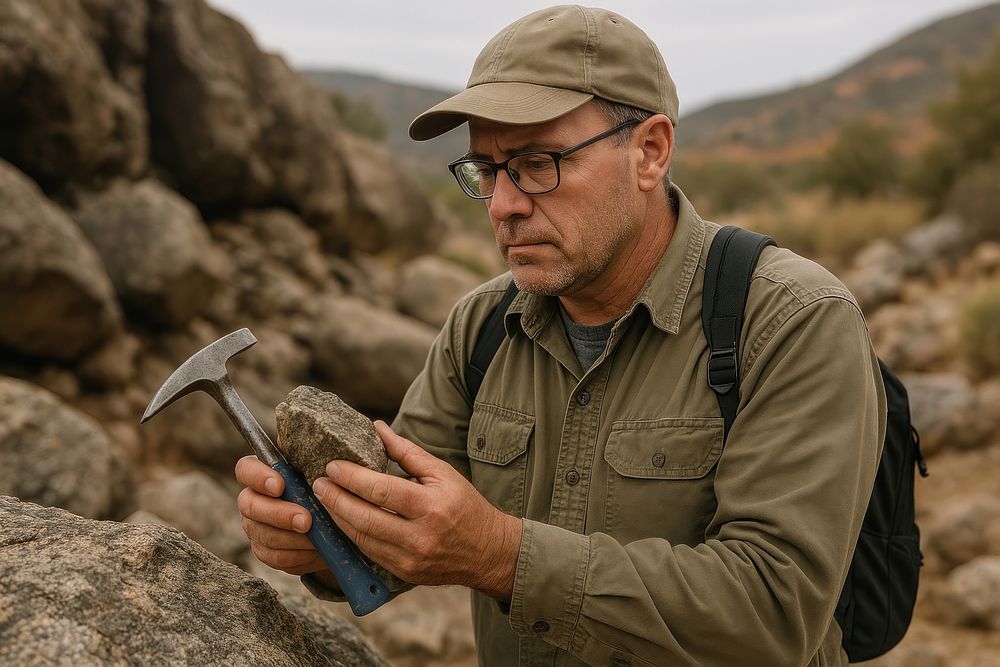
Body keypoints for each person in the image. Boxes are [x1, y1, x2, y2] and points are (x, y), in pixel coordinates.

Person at [236, 6, 886, 665]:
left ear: (650, 152)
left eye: (537, 162)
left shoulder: (792, 318)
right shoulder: (481, 326)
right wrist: (319, 538)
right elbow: (414, 530)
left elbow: (773, 612)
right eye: (486, 170)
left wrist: (502, 555)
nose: (504, 204)